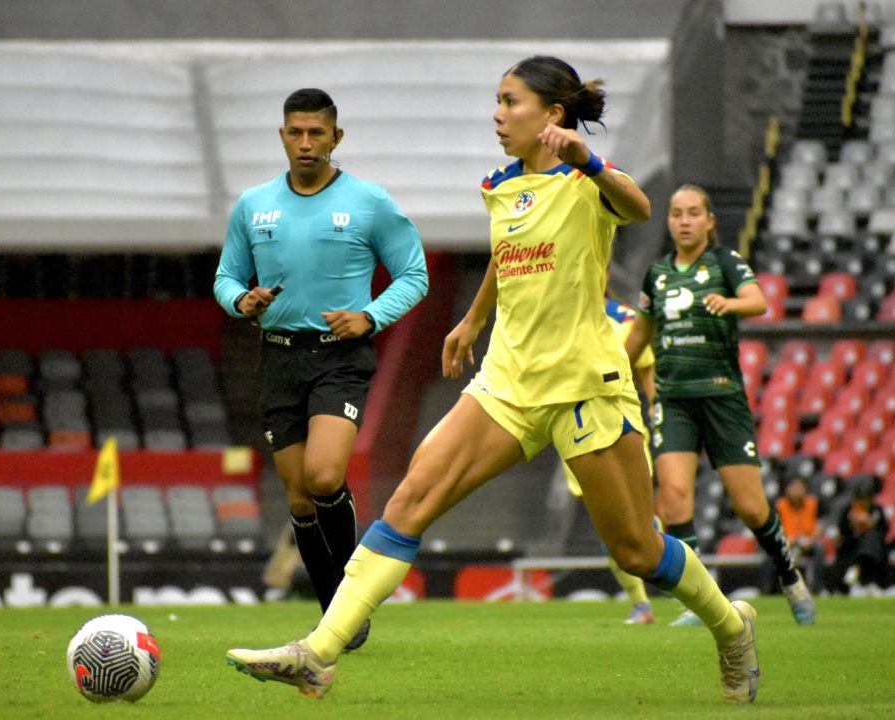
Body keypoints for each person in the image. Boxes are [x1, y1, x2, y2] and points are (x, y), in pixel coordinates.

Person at [227, 56, 760, 704]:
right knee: (411, 500)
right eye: (498, 102)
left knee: (637, 551)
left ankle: (732, 629)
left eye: (510, 102)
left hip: (583, 383)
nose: (497, 114)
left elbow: (639, 206)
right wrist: (473, 319)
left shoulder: (588, 180)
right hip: (507, 380)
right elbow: (510, 259)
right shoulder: (501, 185)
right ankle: (320, 651)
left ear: (552, 114)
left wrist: (589, 162)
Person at [213, 88, 429, 651]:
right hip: (277, 356)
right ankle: (337, 614)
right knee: (300, 499)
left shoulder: (369, 202)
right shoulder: (253, 204)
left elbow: (414, 273)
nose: (306, 142)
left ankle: (347, 604)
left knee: (326, 475)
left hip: (338, 355)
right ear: (282, 135)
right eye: (296, 132)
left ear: (337, 137)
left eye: (317, 133)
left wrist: (371, 316)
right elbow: (225, 278)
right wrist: (242, 302)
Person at [624, 184, 816, 627]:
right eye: (676, 214)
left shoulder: (725, 263)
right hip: (673, 400)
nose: (685, 221)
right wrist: (610, 371)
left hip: (722, 397)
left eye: (694, 213)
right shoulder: (657, 274)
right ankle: (700, 599)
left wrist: (730, 303)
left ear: (710, 221)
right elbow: (639, 336)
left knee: (751, 508)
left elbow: (759, 300)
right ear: (669, 221)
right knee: (673, 500)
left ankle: (789, 576)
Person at [562, 294, 660, 624]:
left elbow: (648, 373)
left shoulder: (627, 319)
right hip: (573, 431)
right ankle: (641, 603)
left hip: (622, 428)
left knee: (643, 523)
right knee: (609, 529)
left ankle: (693, 596)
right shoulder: (556, 315)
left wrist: (660, 416)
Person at [832, 477, 890, 595]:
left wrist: (869, 525)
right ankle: (861, 579)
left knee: (872, 539)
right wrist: (855, 527)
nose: (864, 502)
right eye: (861, 498)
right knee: (864, 548)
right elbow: (842, 534)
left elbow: (883, 533)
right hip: (851, 547)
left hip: (873, 553)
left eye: (866, 498)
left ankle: (858, 569)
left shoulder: (877, 511)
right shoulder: (848, 511)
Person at [772, 476, 824, 593]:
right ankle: (771, 589)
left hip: (808, 541)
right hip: (787, 541)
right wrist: (786, 539)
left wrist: (811, 539)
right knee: (771, 549)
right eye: (794, 487)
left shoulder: (813, 503)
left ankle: (818, 587)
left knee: (819, 548)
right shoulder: (780, 505)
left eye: (799, 487)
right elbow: (775, 528)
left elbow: (820, 524)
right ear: (787, 489)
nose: (797, 490)